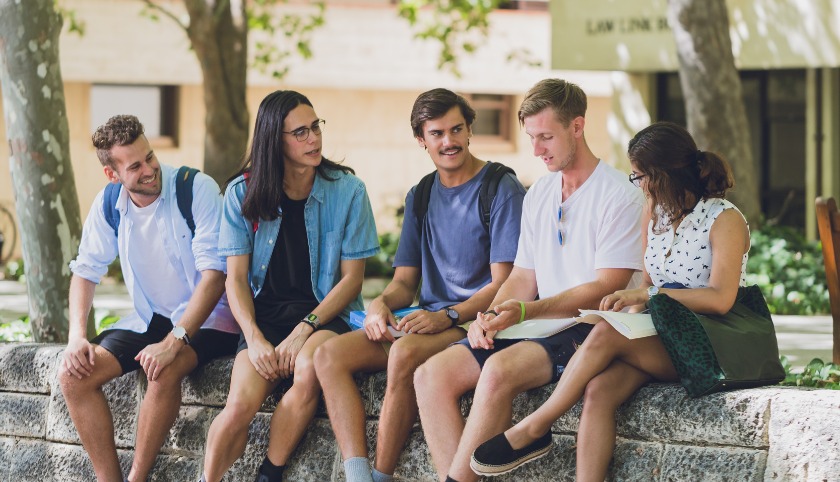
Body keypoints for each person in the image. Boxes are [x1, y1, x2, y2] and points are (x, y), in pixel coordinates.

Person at [469, 121, 749, 480]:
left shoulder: (724, 219)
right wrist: (629, 311)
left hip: (709, 341)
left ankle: (534, 427)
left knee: (604, 334)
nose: (638, 185)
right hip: (664, 334)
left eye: (640, 176)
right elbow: (648, 283)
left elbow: (721, 300)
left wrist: (646, 296)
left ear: (663, 174)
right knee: (599, 389)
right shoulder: (656, 215)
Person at [414, 78, 646, 482]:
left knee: (499, 371)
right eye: (531, 138)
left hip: (588, 328)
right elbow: (523, 275)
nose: (537, 149)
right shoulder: (539, 192)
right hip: (538, 324)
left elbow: (607, 286)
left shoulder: (619, 195)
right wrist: (487, 316)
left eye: (546, 137)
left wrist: (525, 309)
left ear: (577, 126)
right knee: (429, 374)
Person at [314, 88, 525, 482]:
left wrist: (445, 316)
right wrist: (381, 305)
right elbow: (404, 282)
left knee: (404, 353)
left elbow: (504, 284)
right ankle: (357, 474)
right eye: (437, 133)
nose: (449, 141)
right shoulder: (422, 195)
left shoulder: (501, 187)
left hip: (473, 322)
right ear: (421, 140)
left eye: (456, 129)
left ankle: (382, 475)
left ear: (469, 129)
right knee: (328, 356)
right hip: (425, 320)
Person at [200, 90, 379, 482]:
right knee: (238, 407)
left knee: (308, 370)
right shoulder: (241, 194)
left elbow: (351, 281)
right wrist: (255, 337)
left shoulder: (348, 191)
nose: (313, 138)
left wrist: (305, 327)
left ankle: (270, 473)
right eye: (300, 132)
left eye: (316, 127)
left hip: (323, 317)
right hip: (262, 322)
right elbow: (236, 279)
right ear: (273, 140)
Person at [59, 115, 240, 482]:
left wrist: (175, 340)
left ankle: (136, 479)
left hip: (210, 316)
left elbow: (216, 276)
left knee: (163, 367)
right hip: (151, 317)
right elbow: (85, 270)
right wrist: (76, 335)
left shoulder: (195, 188)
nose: (149, 169)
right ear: (113, 175)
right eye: (135, 165)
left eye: (150, 156)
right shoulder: (110, 202)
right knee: (73, 377)